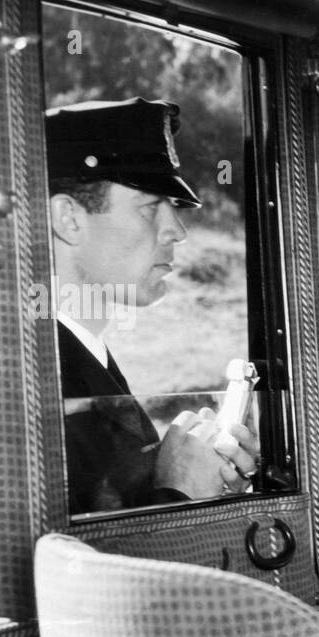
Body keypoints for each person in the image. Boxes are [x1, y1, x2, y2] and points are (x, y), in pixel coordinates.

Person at [44, 98, 259, 513]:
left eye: (173, 208)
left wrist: (200, 480)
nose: (177, 231)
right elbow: (76, 563)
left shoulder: (82, 356)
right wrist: (177, 494)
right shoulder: (38, 379)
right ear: (68, 219)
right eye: (148, 208)